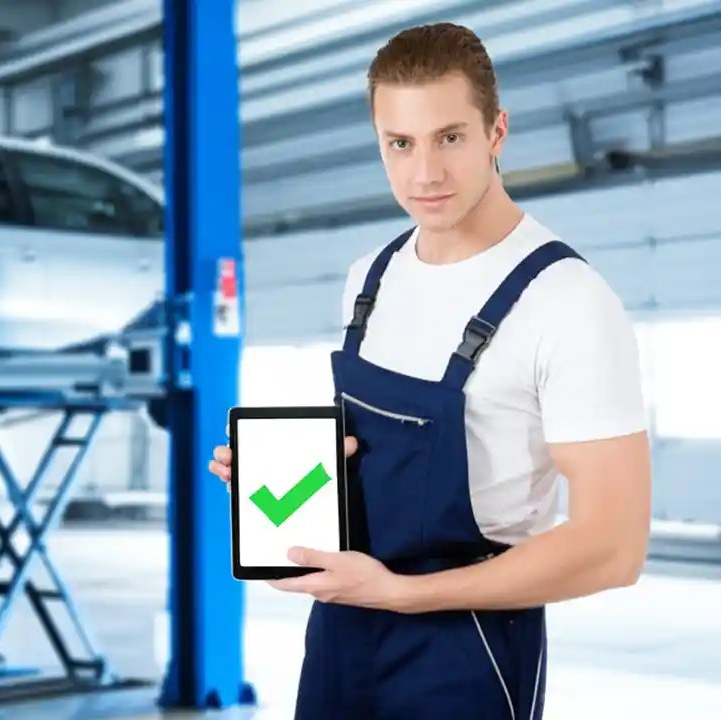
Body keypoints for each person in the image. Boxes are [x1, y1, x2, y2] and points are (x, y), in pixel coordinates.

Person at [208, 22, 652, 720]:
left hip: (468, 647)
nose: (425, 175)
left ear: (496, 132)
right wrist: (293, 480)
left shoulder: (567, 301)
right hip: (342, 624)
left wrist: (404, 594)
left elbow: (613, 547)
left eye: (450, 137)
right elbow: (376, 466)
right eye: (400, 144)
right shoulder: (370, 278)